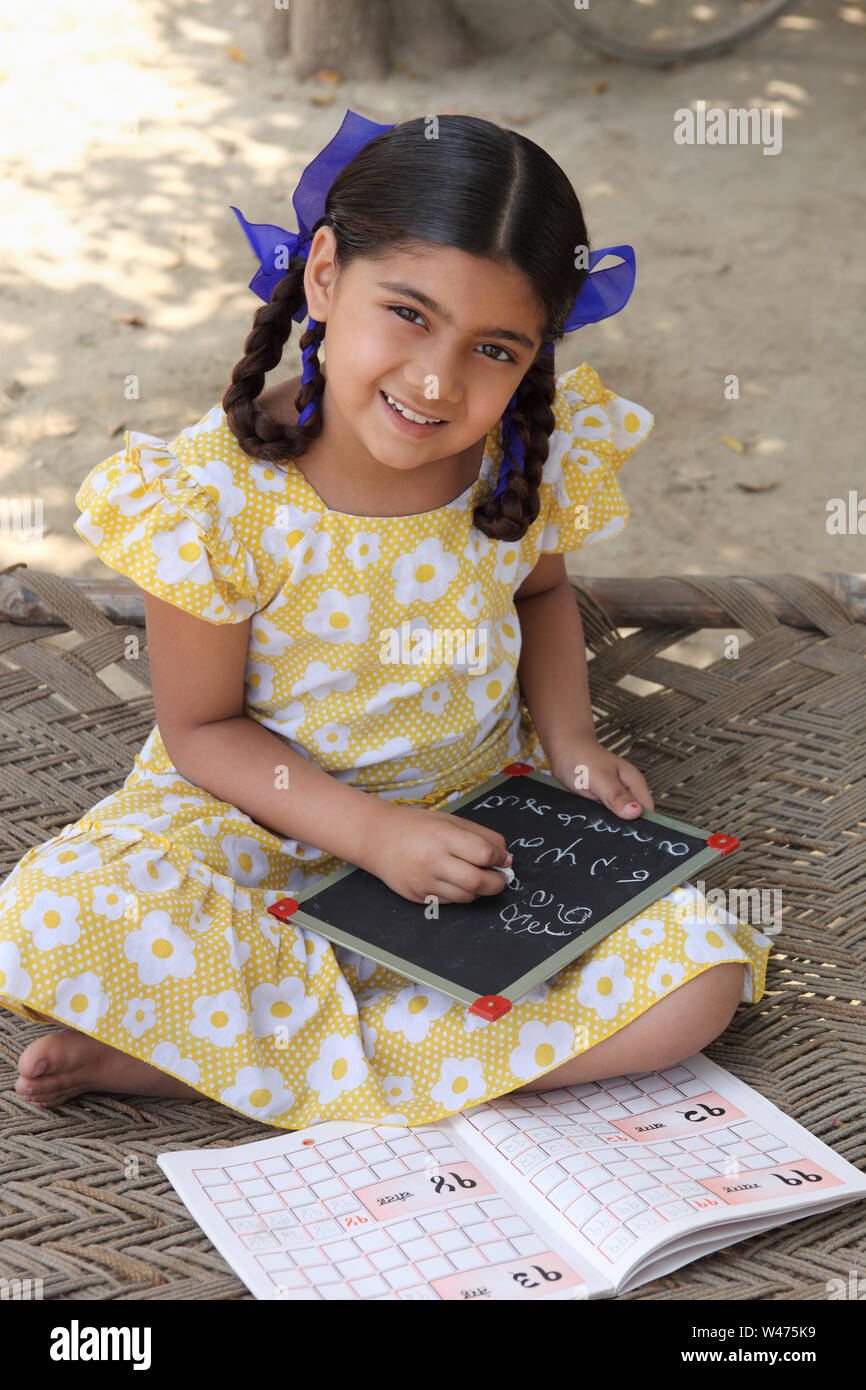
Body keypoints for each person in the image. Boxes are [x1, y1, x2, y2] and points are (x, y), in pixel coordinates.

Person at [0, 110, 771, 1128]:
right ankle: (344, 1042)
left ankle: (218, 1054)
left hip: (480, 827)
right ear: (324, 275)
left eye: (493, 348)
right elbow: (202, 730)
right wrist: (372, 835)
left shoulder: (524, 457)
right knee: (54, 915)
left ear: (535, 354)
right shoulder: (211, 498)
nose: (436, 380)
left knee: (701, 979)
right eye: (407, 313)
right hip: (256, 828)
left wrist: (573, 745)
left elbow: (540, 593)